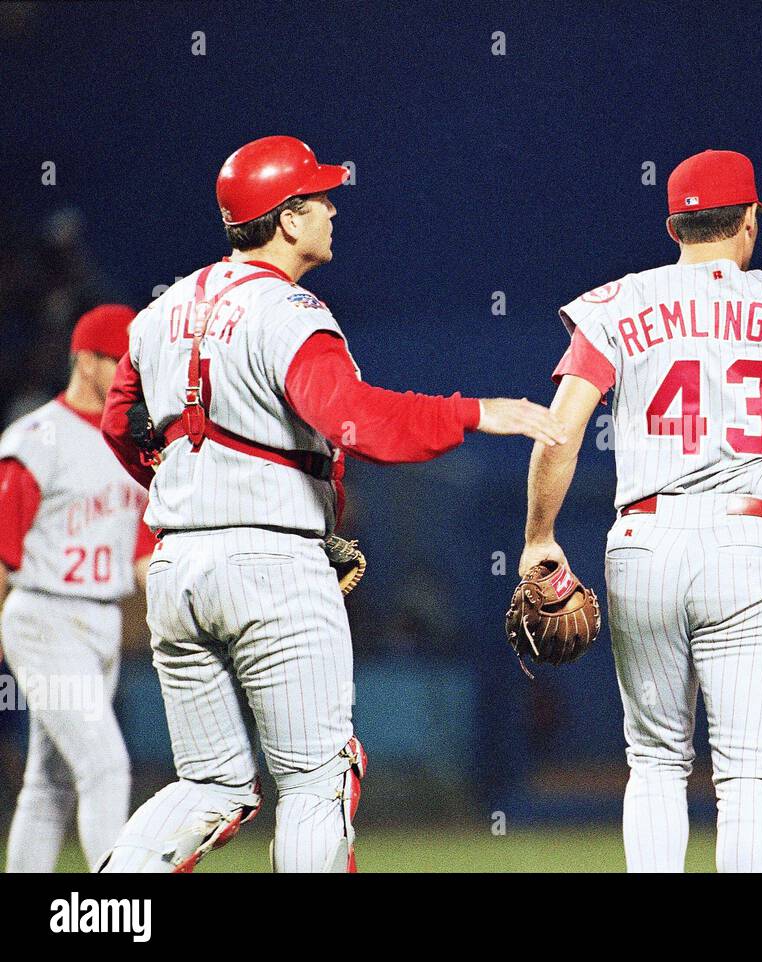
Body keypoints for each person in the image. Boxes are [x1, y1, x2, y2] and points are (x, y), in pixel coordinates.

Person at [97, 135, 565, 872]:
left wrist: (196, 494)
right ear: (286, 219)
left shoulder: (162, 311)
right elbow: (358, 421)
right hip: (271, 562)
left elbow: (118, 422)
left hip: (176, 565)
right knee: (317, 781)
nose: (332, 209)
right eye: (318, 198)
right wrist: (474, 411)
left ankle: (104, 908)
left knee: (208, 784)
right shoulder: (289, 311)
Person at [517, 32, 762, 872]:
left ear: (672, 222)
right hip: (749, 543)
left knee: (653, 764)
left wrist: (541, 538)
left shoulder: (620, 301)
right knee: (750, 777)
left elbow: (562, 428)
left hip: (642, 542)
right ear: (753, 221)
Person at [0, 305, 154, 871]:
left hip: (101, 621)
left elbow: (141, 552)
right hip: (44, 616)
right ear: (85, 361)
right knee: (106, 764)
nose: (129, 372)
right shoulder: (39, 436)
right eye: (119, 360)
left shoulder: (131, 442)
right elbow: (1, 548)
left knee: (49, 783)